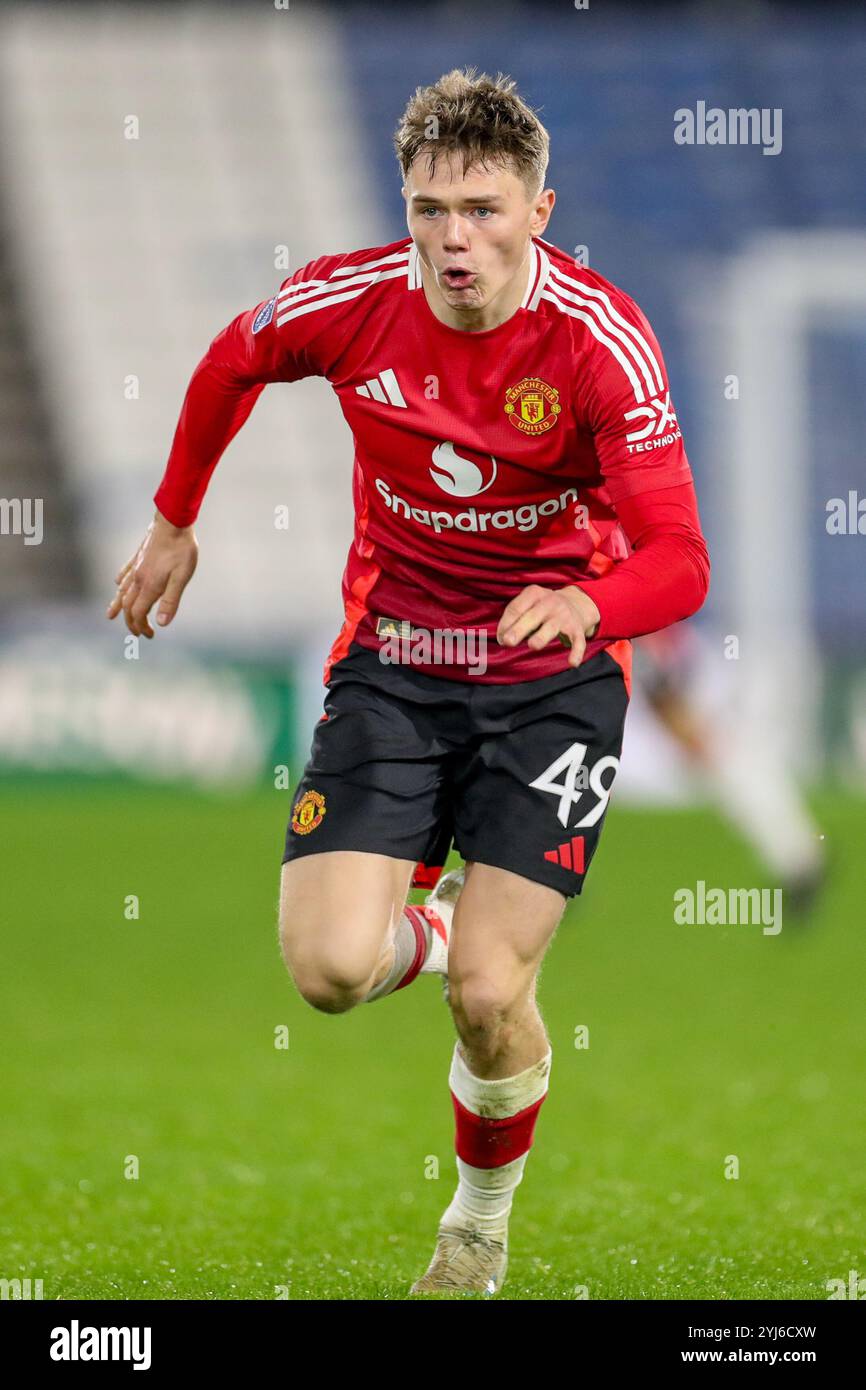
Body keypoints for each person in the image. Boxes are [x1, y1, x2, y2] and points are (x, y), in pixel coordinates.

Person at [106, 66, 710, 1296]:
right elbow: (231, 361)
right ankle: (430, 924)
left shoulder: (599, 345)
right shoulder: (351, 299)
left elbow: (681, 560)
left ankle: (477, 1221)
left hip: (552, 681)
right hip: (396, 661)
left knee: (490, 993)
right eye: (429, 209)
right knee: (327, 973)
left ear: (539, 213)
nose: (451, 239)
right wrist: (174, 519)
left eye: (482, 210)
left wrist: (589, 601)